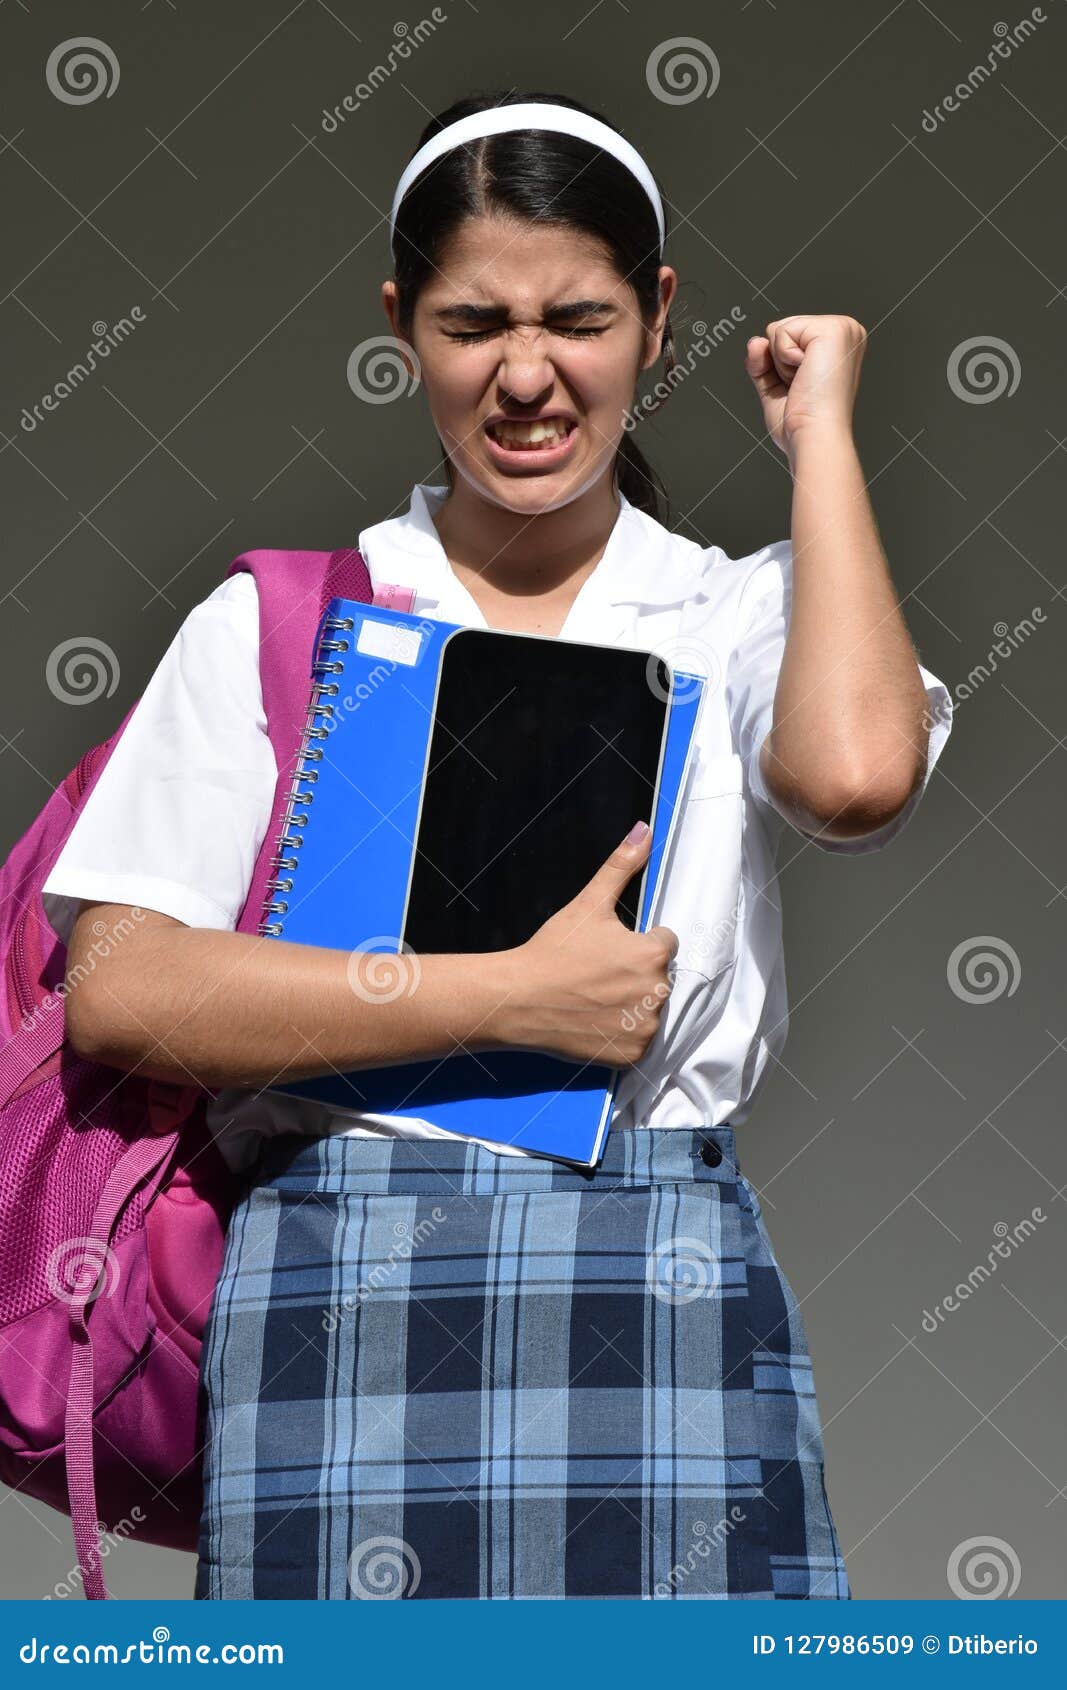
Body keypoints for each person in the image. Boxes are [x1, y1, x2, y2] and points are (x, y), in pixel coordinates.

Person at [42, 90, 953, 1600]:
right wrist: (513, 998)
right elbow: (123, 990)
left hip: (656, 1279)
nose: (527, 374)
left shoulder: (738, 611)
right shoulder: (283, 619)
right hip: (333, 1292)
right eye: (474, 323)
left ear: (658, 319)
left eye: (580, 319)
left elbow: (856, 780)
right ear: (401, 326)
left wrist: (823, 439)